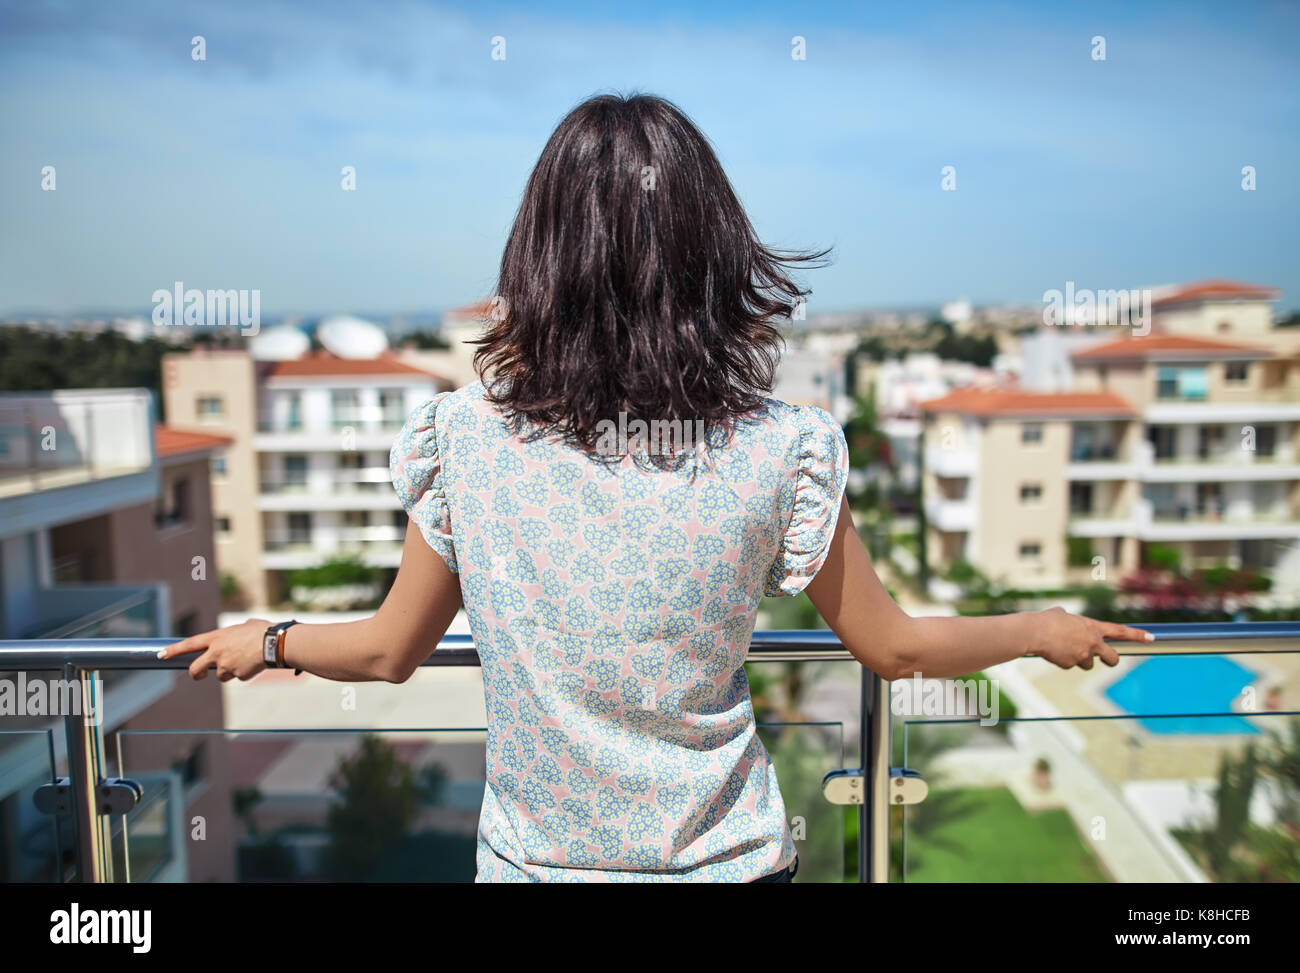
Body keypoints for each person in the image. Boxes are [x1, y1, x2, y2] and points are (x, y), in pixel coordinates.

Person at [161, 93, 1153, 883]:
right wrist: (1036, 627)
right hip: (728, 862)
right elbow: (891, 648)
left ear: (543, 255)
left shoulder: (462, 436)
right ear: (708, 250)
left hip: (536, 869)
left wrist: (270, 640)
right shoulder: (783, 448)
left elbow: (388, 651)